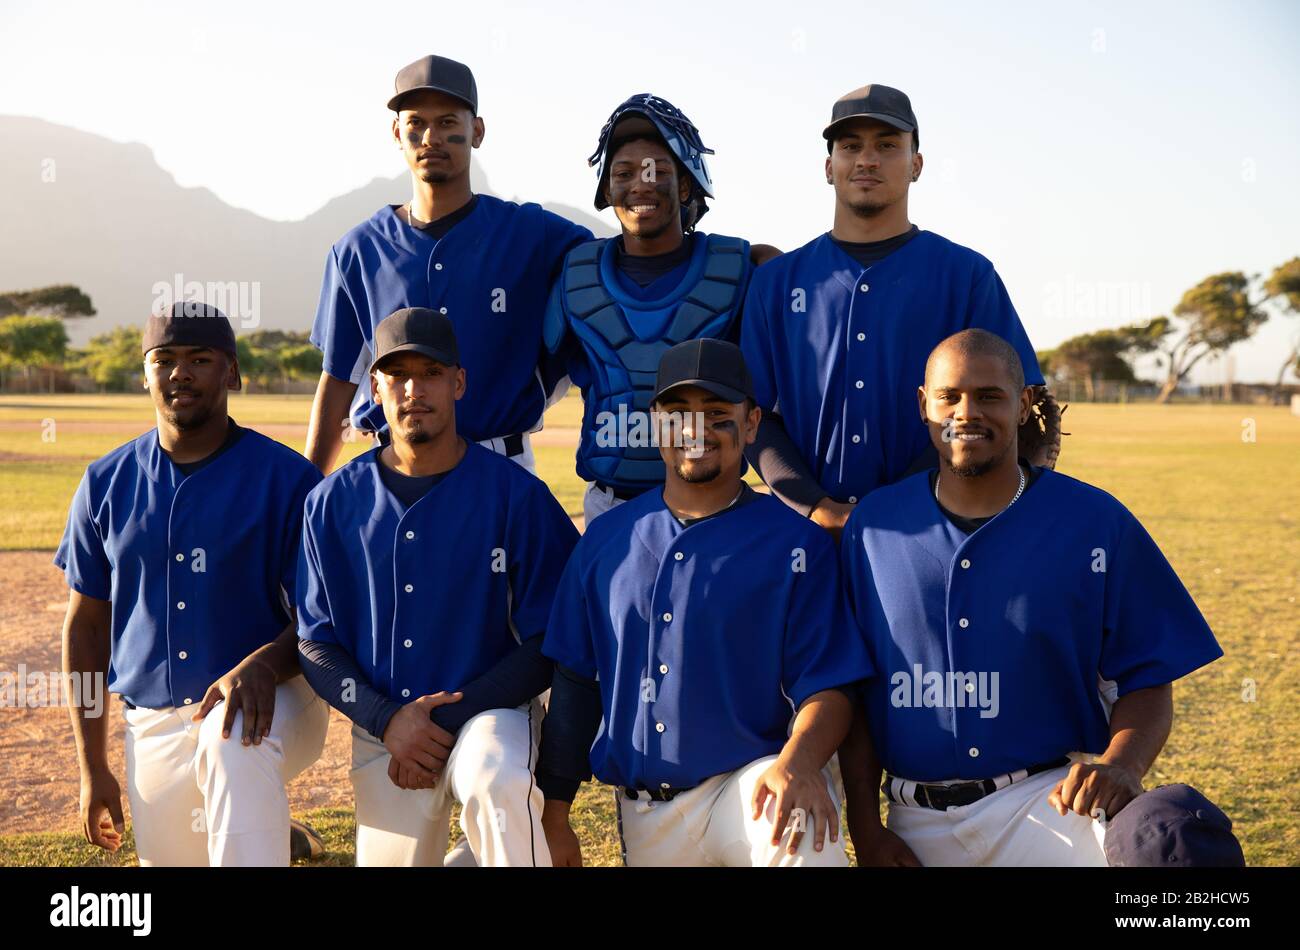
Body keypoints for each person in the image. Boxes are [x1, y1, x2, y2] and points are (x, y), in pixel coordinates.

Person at [839, 329, 1223, 866]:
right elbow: (851, 693)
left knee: (1172, 838)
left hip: (1045, 806)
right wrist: (866, 828)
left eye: (990, 396)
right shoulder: (874, 525)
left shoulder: (1094, 521)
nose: (966, 412)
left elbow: (1148, 674)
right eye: (949, 396)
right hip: (912, 820)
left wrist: (1122, 764)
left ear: (1022, 406)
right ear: (924, 405)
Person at [538, 338, 872, 866]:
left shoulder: (796, 543)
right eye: (677, 413)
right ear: (655, 423)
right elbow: (577, 683)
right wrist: (555, 815)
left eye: (718, 414)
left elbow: (828, 686)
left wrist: (802, 763)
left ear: (752, 422)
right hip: (647, 810)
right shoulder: (605, 541)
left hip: (750, 787)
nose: (695, 430)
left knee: (801, 832)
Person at [296, 307, 579, 866]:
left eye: (429, 373)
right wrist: (386, 720)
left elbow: (553, 637)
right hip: (385, 731)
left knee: (496, 785)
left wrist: (441, 718)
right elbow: (314, 643)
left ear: (458, 382)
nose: (413, 389)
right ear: (374, 389)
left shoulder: (515, 496)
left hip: (491, 712)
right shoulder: (331, 504)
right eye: (396, 375)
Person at [55, 302, 328, 866]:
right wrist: (92, 767)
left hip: (274, 698)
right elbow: (86, 627)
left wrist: (263, 665)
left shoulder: (286, 479)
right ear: (146, 373)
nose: (180, 372)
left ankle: (259, 821)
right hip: (153, 718)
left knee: (229, 746)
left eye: (199, 359)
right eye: (165, 359)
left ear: (231, 373)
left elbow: (321, 618)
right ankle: (274, 830)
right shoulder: (106, 482)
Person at [740, 84, 1063, 540]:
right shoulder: (777, 282)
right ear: (829, 167)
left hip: (935, 527)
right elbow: (754, 417)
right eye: (851, 146)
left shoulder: (966, 275)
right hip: (803, 533)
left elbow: (1008, 402)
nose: (867, 159)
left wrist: (903, 501)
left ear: (916, 164)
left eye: (887, 145)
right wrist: (816, 508)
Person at [305, 54, 593, 474]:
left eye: (447, 123)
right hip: (391, 466)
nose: (429, 137)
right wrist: (307, 490)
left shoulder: (534, 235)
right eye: (416, 123)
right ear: (396, 132)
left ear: (476, 131)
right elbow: (337, 381)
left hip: (500, 465)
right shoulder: (358, 250)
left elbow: (619, 267)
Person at [544, 94, 778, 524]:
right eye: (624, 173)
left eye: (657, 171)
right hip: (610, 507)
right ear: (607, 187)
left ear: (686, 184)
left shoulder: (742, 272)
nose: (640, 184)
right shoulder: (575, 275)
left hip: (713, 506)